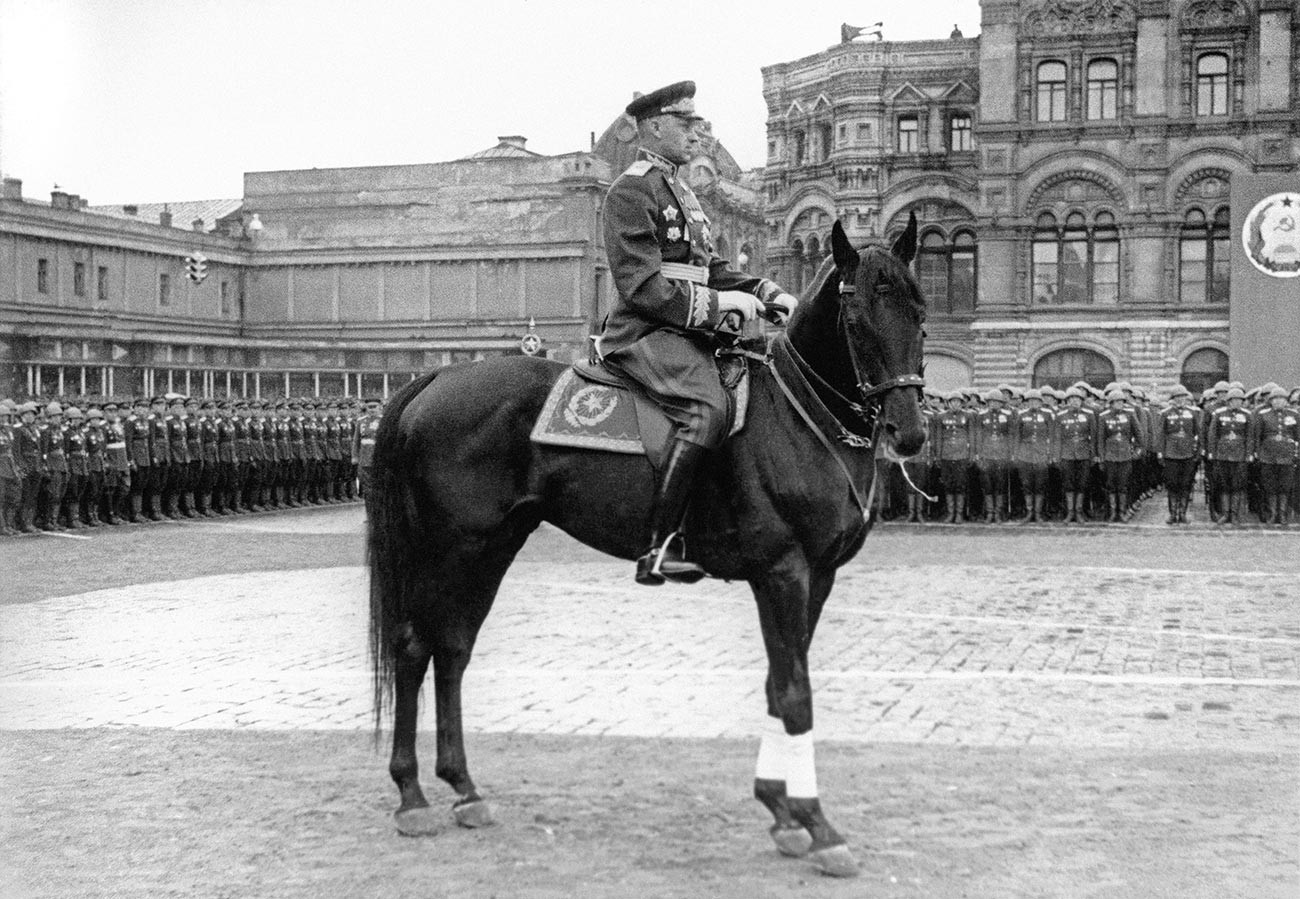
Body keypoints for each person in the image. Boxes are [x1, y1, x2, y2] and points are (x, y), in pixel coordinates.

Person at [598, 80, 799, 585]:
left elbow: (712, 269)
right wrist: (718, 304)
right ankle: (659, 545)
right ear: (654, 126)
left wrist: (768, 290)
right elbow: (642, 287)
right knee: (707, 408)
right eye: (685, 123)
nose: (697, 133)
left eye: (696, 123)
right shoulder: (630, 190)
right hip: (644, 332)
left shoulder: (682, 193)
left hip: (689, 330)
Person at [1205, 386, 1253, 526]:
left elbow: (1250, 436)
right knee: (1224, 486)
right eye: (1234, 400)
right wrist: (1212, 452)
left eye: (1239, 400)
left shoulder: (1246, 415)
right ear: (1229, 401)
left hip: (1239, 455)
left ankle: (1235, 514)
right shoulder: (1219, 414)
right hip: (1222, 454)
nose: (1237, 403)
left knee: (1237, 486)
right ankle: (1225, 514)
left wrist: (1249, 453)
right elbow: (1213, 434)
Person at [1252, 386, 1298, 525]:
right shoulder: (1263, 415)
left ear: (1286, 401)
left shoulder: (1294, 415)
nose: (1278, 402)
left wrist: (1296, 453)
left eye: (1282, 399)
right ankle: (1272, 514)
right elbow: (1257, 436)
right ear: (1270, 401)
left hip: (1287, 455)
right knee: (1270, 486)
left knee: (1285, 486)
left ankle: (1282, 515)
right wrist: (1258, 453)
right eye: (1275, 399)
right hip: (1268, 456)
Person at [1155, 385, 1201, 524]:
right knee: (1172, 484)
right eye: (1178, 397)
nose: (1181, 400)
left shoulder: (1192, 413)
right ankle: (1172, 513)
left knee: (1186, 484)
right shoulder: (1166, 413)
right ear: (1173, 399)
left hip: (1187, 453)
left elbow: (1197, 433)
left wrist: (1197, 451)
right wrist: (1160, 452)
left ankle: (1183, 513)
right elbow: (1161, 434)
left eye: (1183, 397)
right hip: (1171, 453)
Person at [1096, 389, 1142, 522]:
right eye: (1116, 402)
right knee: (1110, 485)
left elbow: (1138, 434)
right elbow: (1100, 439)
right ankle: (1112, 512)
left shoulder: (1130, 414)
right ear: (1110, 403)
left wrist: (1137, 450)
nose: (1119, 404)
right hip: (1110, 456)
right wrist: (1102, 457)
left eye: (1121, 401)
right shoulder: (1104, 416)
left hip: (1125, 455)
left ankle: (1122, 512)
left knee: (1123, 485)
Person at [1012, 388, 1055, 523]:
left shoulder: (1048, 414)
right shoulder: (1021, 415)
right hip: (1025, 455)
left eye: (1036, 401)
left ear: (1040, 402)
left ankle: (1038, 513)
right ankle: (1029, 512)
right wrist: (1016, 454)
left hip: (1041, 454)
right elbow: (1016, 436)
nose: (1033, 403)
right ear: (1027, 402)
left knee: (1040, 484)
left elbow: (1053, 436)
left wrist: (1050, 454)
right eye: (1030, 401)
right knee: (1027, 484)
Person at [0, 400, 20, 536]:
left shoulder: (8, 430)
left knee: (12, 496)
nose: (4, 419)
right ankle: (2, 527)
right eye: (1, 417)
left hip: (10, 465)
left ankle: (9, 524)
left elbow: (14, 449)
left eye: (6, 417)